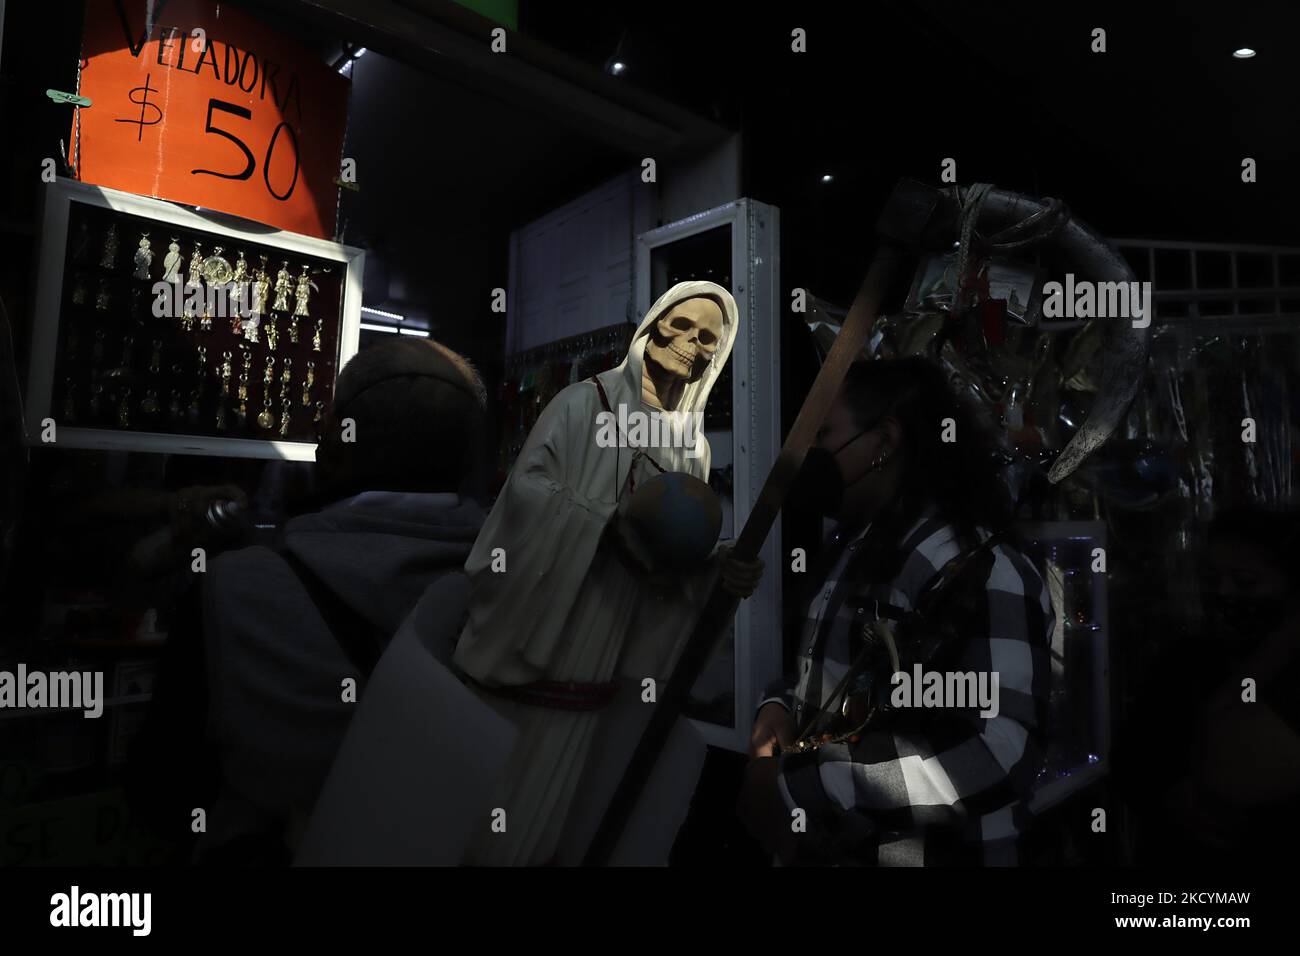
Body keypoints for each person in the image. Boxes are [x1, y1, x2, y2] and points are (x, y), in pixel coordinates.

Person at [452, 281, 761, 865]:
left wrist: (715, 570)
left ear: (713, 360)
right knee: (483, 811)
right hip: (542, 630)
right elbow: (525, 494)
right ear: (655, 323)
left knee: (552, 813)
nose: (688, 343)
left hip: (608, 646)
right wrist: (604, 526)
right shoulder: (581, 404)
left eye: (707, 340)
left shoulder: (690, 449)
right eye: (681, 324)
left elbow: (679, 551)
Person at [739, 356, 1053, 865]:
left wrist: (809, 786)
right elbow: (835, 671)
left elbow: (1001, 749)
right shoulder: (853, 545)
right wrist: (777, 706)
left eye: (824, 435)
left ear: (885, 440)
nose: (812, 454)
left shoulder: (975, 565)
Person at [196, 336, 489, 862]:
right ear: (472, 459)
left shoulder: (232, 587)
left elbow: (161, 791)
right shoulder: (525, 586)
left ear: (332, 446)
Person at [1115, 506, 1300, 865]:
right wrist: (1170, 794)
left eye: (1245, 582)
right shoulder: (1184, 661)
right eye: (1211, 580)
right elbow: (1131, 758)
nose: (1224, 594)